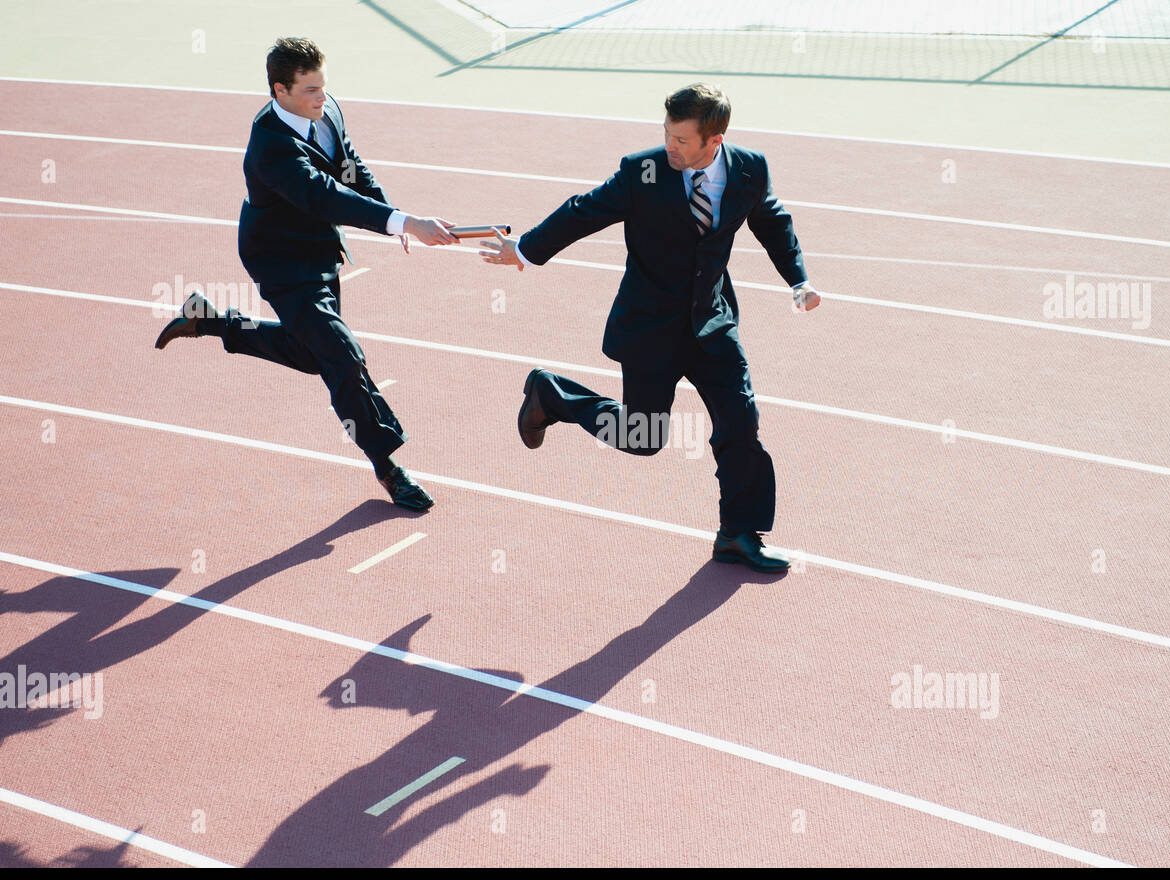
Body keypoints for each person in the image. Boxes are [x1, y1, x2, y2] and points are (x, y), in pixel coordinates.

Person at [480, 83, 821, 572]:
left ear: (715, 140)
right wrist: (527, 250)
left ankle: (739, 533)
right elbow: (585, 210)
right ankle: (551, 395)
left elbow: (769, 217)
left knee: (740, 424)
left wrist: (797, 279)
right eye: (666, 133)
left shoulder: (749, 168)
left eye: (682, 140)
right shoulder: (642, 171)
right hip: (651, 327)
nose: (670, 146)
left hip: (711, 320)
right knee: (643, 437)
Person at [154, 37, 458, 510]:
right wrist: (405, 223)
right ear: (280, 90)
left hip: (319, 251)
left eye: (323, 87)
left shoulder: (327, 110)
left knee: (313, 351)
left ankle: (212, 321)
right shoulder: (270, 148)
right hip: (279, 261)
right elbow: (324, 195)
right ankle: (387, 466)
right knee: (341, 355)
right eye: (310, 90)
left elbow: (349, 169)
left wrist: (388, 212)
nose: (322, 98)